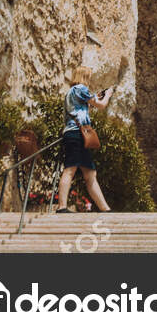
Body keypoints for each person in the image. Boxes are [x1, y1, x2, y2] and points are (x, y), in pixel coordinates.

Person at [56, 67, 111, 212]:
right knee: (70, 169)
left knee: (90, 173)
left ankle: (105, 208)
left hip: (73, 134)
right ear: (85, 77)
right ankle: (62, 207)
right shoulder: (80, 88)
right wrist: (108, 95)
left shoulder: (71, 92)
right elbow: (101, 105)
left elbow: (82, 108)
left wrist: (94, 98)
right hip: (77, 134)